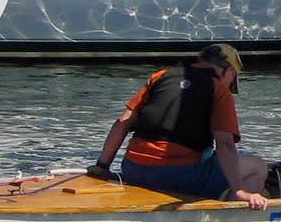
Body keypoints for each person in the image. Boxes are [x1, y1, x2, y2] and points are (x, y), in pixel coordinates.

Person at [86, 43, 269, 210]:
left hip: (134, 169)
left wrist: (102, 166)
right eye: (233, 79)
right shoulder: (219, 89)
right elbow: (225, 144)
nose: (230, 86)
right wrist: (239, 190)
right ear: (228, 71)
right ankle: (227, 219)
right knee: (258, 166)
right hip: (179, 175)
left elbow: (121, 123)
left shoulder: (161, 76)